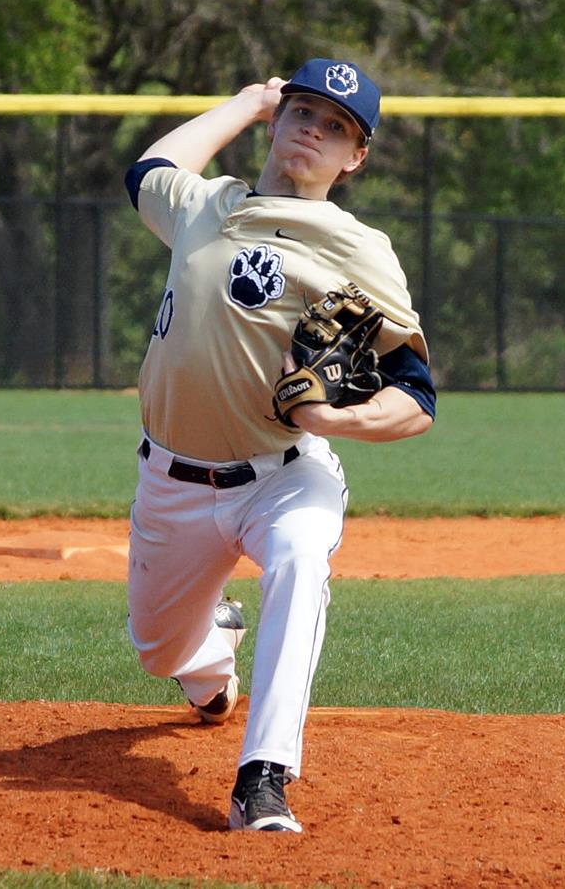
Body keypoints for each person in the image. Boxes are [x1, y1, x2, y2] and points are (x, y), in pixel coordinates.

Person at [121, 59, 435, 833]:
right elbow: (149, 167)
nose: (314, 131)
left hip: (285, 473)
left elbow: (417, 397)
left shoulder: (358, 249)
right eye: (302, 112)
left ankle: (263, 780)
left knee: (299, 559)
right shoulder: (206, 205)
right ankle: (210, 655)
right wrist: (245, 99)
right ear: (277, 120)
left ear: (354, 158)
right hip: (173, 482)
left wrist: (336, 422)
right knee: (158, 651)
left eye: (337, 128)